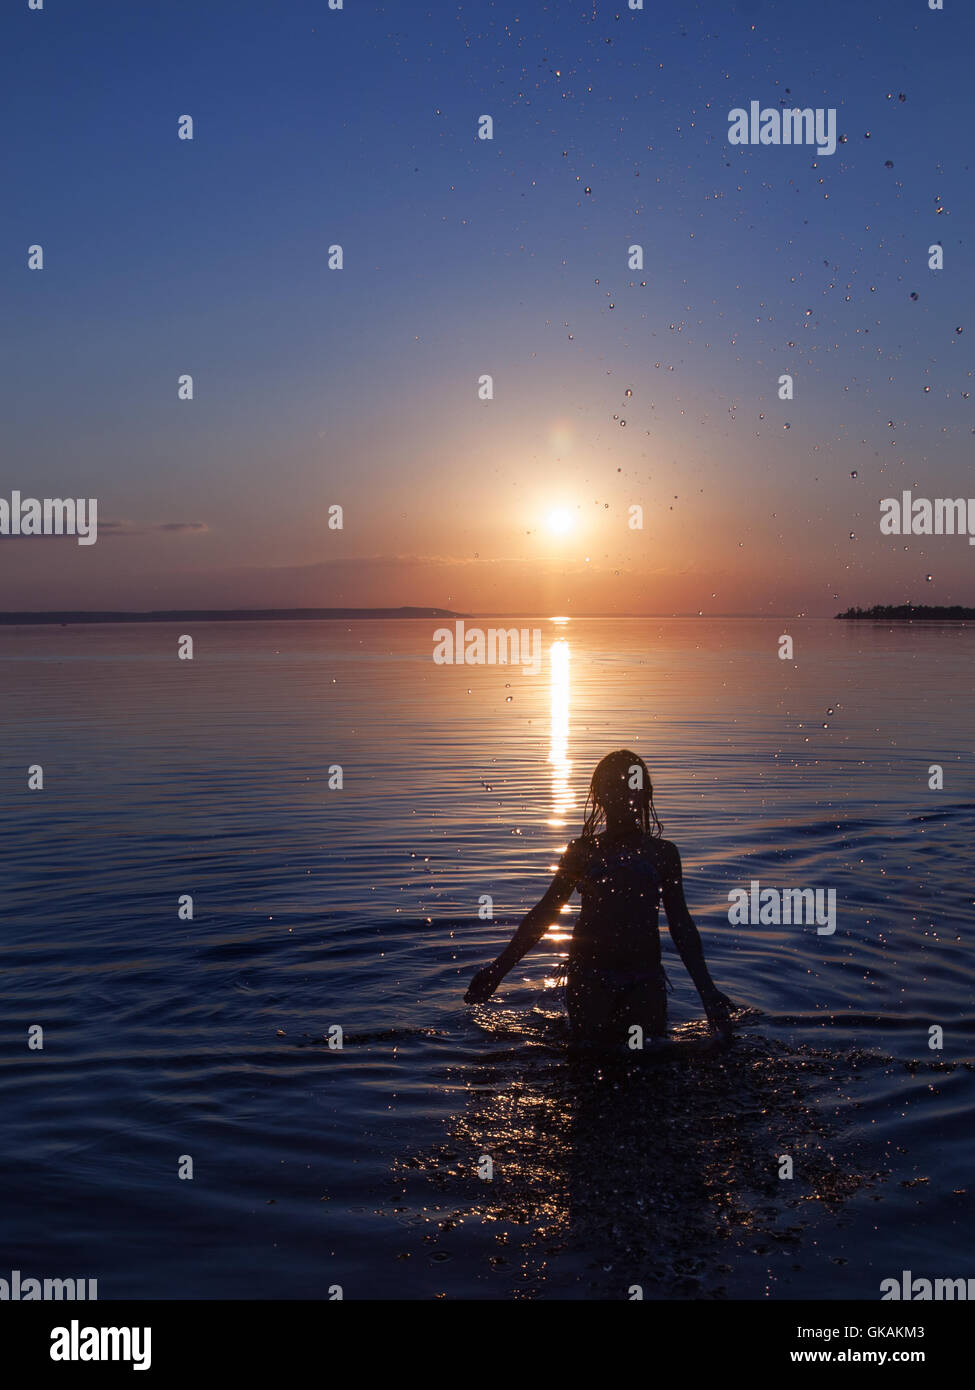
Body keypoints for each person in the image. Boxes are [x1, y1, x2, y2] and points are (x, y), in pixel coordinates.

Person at [464, 749, 734, 1046]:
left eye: (629, 787)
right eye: (611, 787)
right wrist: (498, 969)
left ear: (644, 794)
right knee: (588, 1065)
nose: (621, 796)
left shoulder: (663, 855)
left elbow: (681, 925)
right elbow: (545, 913)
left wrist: (708, 991)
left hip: (645, 978)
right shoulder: (581, 852)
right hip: (590, 978)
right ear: (599, 796)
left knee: (650, 1065)